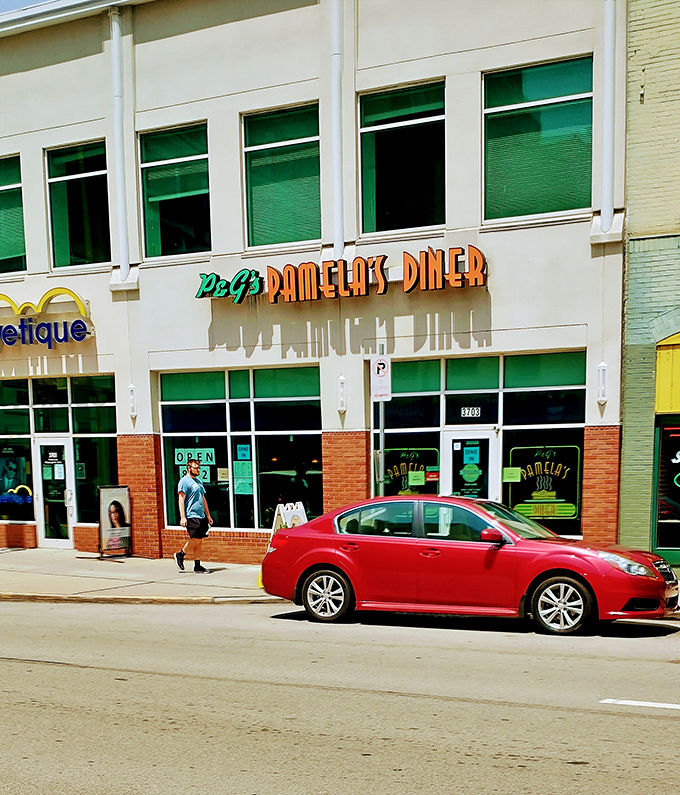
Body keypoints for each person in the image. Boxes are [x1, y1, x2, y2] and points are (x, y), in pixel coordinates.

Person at [174, 459, 213, 574]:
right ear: (189, 468)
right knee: (196, 539)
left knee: (199, 541)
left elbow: (203, 499)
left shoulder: (198, 481)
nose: (198, 470)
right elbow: (181, 499)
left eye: (199, 468)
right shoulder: (184, 482)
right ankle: (180, 554)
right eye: (195, 468)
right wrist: (183, 517)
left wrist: (208, 515)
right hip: (191, 515)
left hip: (201, 515)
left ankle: (197, 564)